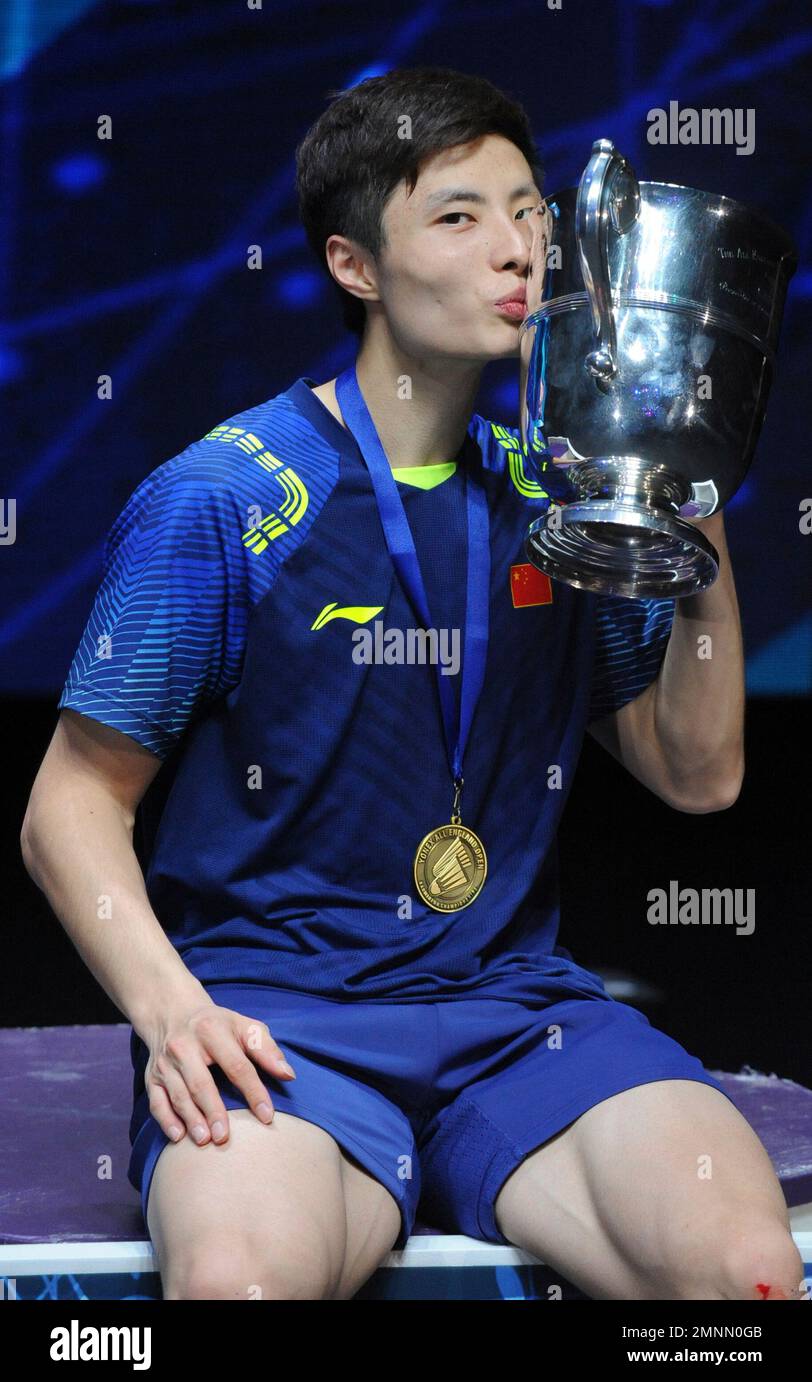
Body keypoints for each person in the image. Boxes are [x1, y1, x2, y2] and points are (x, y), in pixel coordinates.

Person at [21, 66, 803, 1301]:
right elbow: (70, 804)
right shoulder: (227, 498)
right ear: (353, 267)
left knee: (743, 1273)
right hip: (285, 1022)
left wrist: (684, 491)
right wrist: (173, 1012)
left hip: (516, 1019)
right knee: (237, 1288)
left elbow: (695, 775)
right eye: (457, 216)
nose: (516, 249)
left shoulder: (559, 497)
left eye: (529, 210)